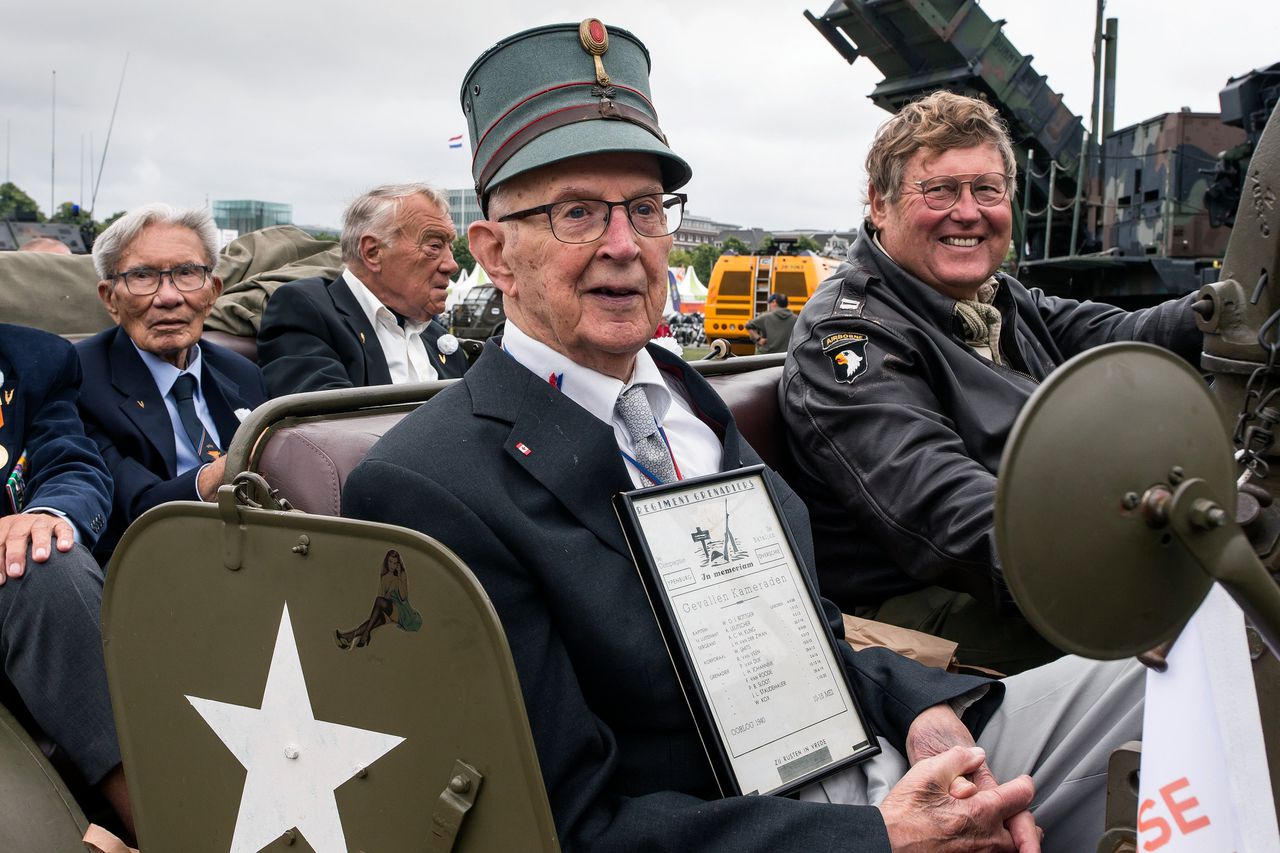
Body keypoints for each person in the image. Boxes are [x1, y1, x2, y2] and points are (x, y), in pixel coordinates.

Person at [343, 21, 1142, 852]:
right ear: (495, 252)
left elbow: (801, 625)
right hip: (769, 829)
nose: (625, 245)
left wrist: (922, 709)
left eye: (646, 209)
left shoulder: (680, 400)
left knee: (1197, 664)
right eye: (578, 212)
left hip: (873, 756)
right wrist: (879, 838)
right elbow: (563, 824)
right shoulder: (430, 484)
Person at [780, 91, 1201, 675]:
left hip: (1041, 560)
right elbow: (945, 505)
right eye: (941, 191)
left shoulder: (997, 301)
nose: (969, 211)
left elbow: (1129, 338)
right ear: (880, 204)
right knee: (1205, 648)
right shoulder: (848, 339)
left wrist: (1223, 312)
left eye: (987, 189)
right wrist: (1112, 578)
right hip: (915, 620)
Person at [76, 204, 267, 563]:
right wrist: (224, 473)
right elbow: (132, 506)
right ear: (110, 298)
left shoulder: (243, 373)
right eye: (143, 276)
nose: (168, 297)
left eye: (187, 273)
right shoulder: (79, 381)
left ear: (212, 292)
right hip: (147, 567)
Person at [0, 322, 132, 835]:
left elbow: (71, 462)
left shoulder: (33, 359)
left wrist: (48, 514)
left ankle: (167, 825)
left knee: (45, 557)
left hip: (14, 591)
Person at [257, 183, 470, 398]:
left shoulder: (436, 337)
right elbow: (326, 422)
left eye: (449, 247)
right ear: (373, 252)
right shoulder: (304, 310)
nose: (451, 265)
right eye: (434, 246)